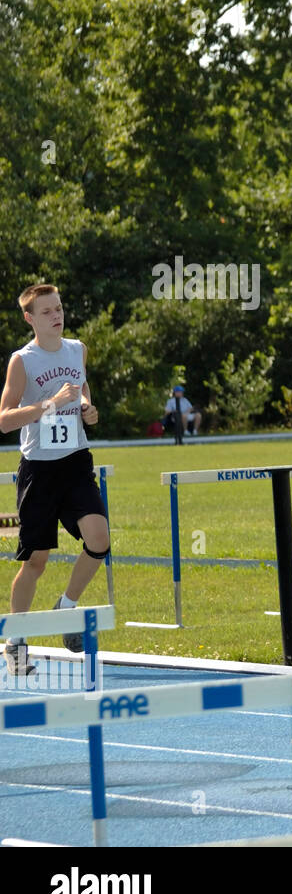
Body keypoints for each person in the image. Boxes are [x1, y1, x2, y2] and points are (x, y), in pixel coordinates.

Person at [0, 284, 110, 675]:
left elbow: (80, 387)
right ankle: (15, 642)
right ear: (30, 319)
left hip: (76, 462)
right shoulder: (22, 360)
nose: (56, 316)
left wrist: (85, 406)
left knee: (100, 539)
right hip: (39, 470)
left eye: (59, 308)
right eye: (46, 311)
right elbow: (4, 419)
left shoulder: (76, 349)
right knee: (36, 560)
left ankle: (66, 606)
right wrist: (50, 403)